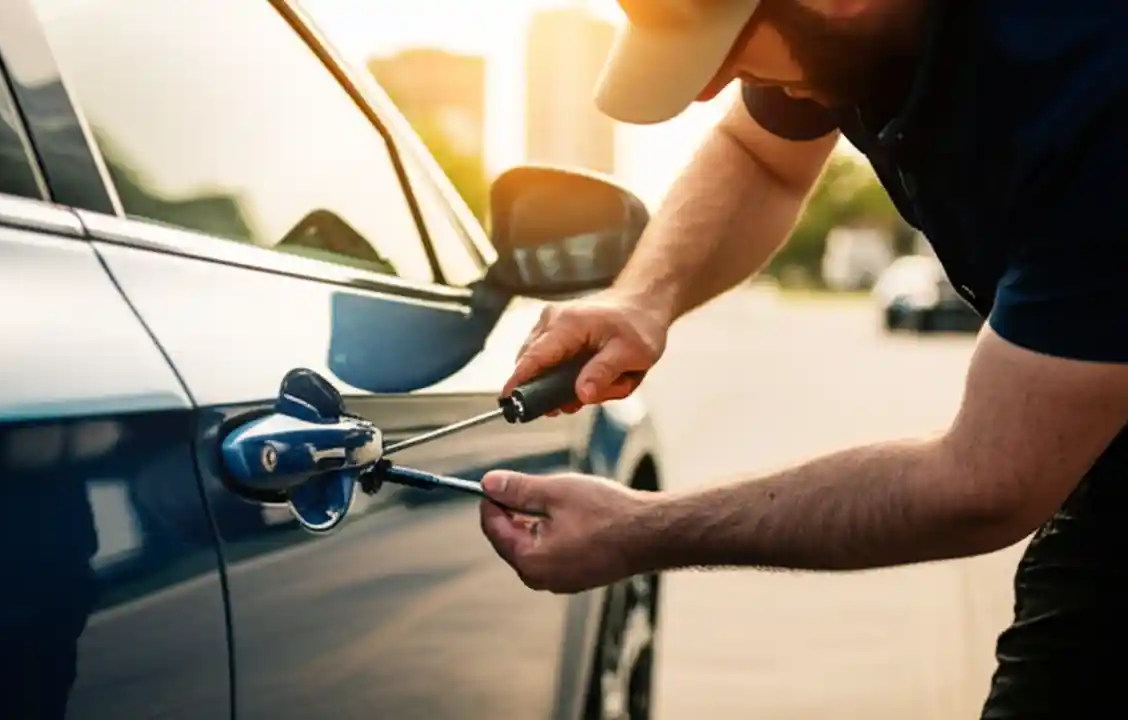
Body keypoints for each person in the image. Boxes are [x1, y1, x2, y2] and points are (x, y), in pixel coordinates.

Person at [477, 1, 1128, 716]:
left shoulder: (1097, 87)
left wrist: (636, 531)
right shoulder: (843, 37)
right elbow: (760, 155)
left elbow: (984, 484)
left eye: (724, 47)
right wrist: (642, 299)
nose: (706, 87)